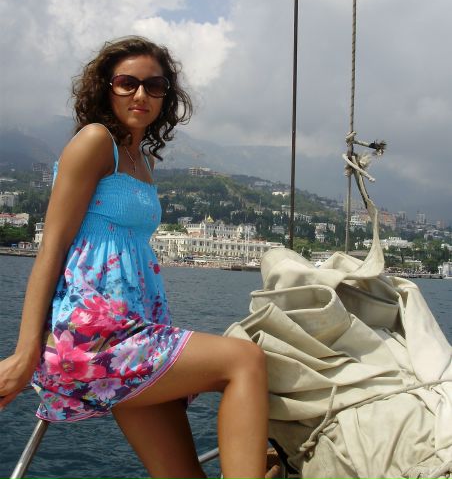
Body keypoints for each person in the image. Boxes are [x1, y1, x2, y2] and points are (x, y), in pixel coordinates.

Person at [0, 36, 270, 479]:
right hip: (96, 337)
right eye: (128, 83)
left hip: (137, 331)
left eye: (154, 85)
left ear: (166, 96)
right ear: (106, 88)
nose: (141, 94)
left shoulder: (143, 162)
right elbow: (52, 246)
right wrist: (25, 353)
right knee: (245, 360)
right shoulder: (95, 141)